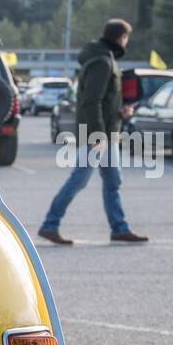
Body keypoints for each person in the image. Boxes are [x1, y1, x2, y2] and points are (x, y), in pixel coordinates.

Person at [38, 18, 149, 244]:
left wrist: (120, 112)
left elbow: (104, 102)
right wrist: (97, 133)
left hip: (107, 133)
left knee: (112, 181)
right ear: (120, 38)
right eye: (126, 37)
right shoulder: (102, 62)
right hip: (97, 135)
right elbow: (91, 101)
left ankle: (119, 228)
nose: (127, 42)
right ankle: (50, 225)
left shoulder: (103, 58)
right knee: (79, 179)